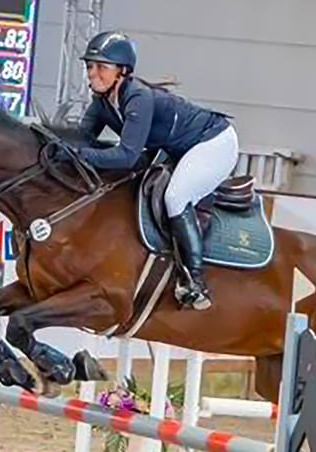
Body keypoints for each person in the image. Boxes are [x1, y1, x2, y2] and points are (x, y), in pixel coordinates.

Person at [75, 30, 240, 311]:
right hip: (178, 148)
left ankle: (194, 281)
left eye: (101, 67)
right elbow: (80, 139)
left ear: (122, 72)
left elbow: (126, 156)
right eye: (90, 66)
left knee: (175, 198)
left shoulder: (137, 96)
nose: (92, 73)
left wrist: (78, 154)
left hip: (213, 143)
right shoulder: (102, 103)